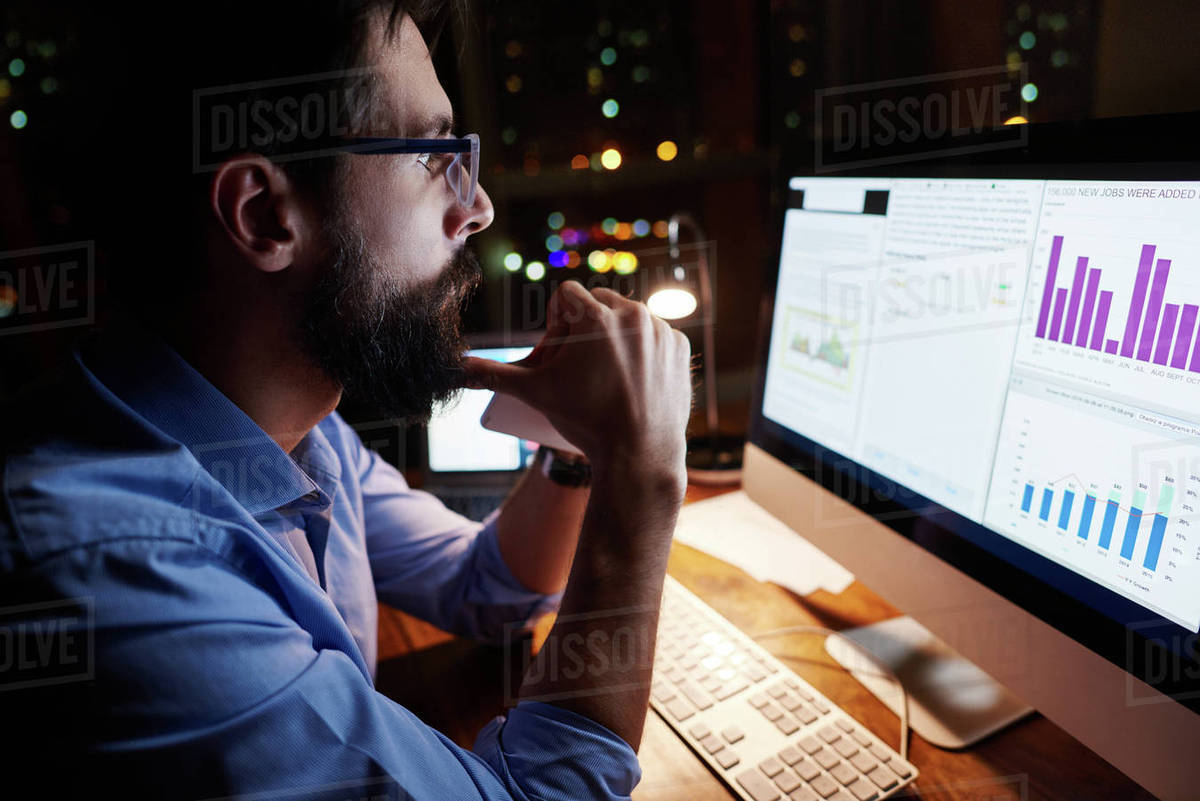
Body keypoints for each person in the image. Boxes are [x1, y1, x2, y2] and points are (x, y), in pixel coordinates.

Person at [0, 2, 693, 798]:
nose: (477, 207)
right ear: (264, 214)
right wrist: (643, 479)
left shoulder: (288, 429)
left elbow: (486, 586)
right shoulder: (121, 581)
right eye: (436, 156)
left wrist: (577, 448)